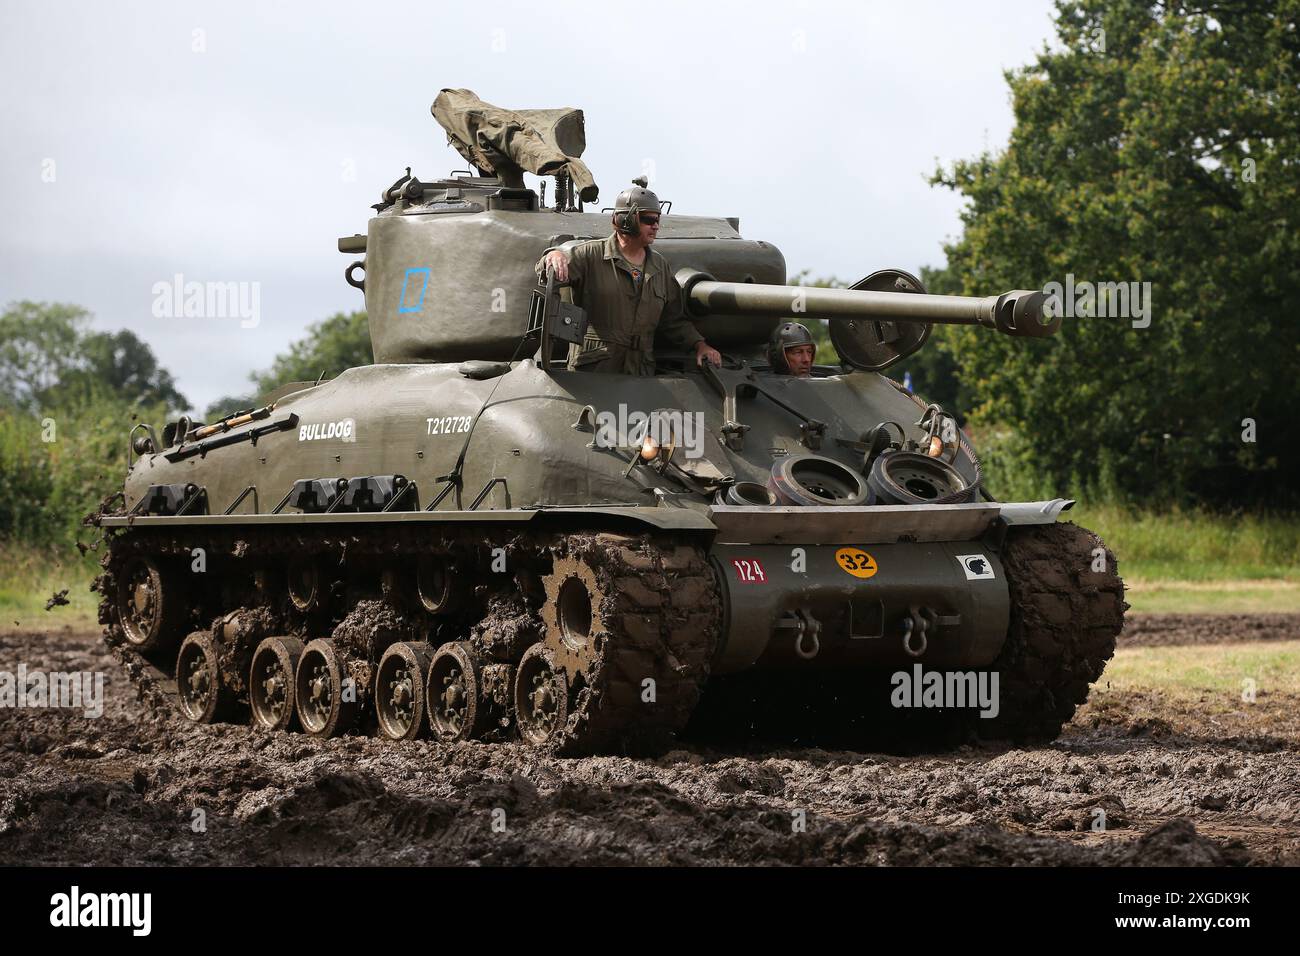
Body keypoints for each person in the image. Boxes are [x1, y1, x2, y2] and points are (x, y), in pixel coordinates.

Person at [536, 179, 722, 375]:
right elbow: (546, 272)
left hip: (640, 370)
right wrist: (552, 256)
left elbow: (673, 320)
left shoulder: (659, 267)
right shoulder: (591, 256)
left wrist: (700, 345)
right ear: (626, 220)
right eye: (648, 220)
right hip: (594, 369)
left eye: (658, 220)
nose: (656, 226)